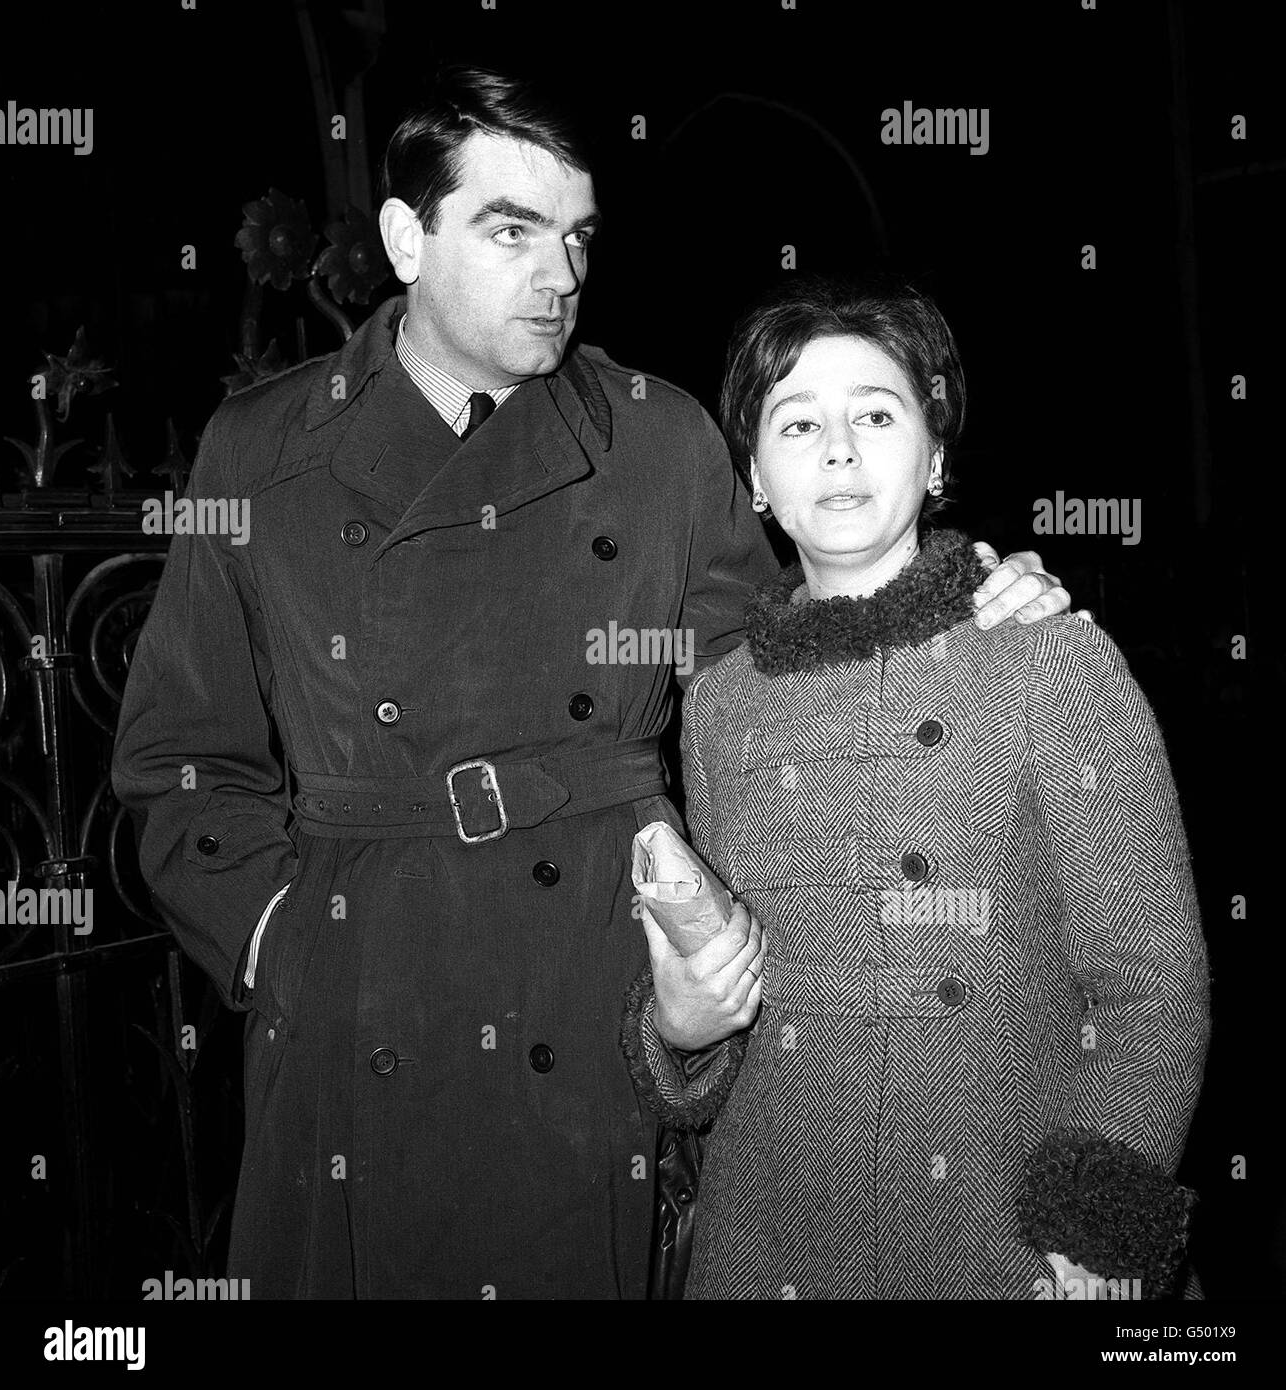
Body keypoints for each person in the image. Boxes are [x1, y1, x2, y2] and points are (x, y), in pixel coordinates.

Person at [110, 67, 1072, 1299]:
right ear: (407, 239)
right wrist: (277, 941)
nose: (559, 273)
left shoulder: (654, 436)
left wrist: (960, 596)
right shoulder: (261, 445)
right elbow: (182, 758)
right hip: (359, 989)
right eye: (510, 231)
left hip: (593, 976)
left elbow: (778, 673)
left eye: (574, 236)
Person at [621, 275, 1210, 1300]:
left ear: (934, 454)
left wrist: (1099, 1215)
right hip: (763, 1250)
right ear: (752, 474)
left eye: (876, 413)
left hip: (1000, 1243)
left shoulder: (1046, 661)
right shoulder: (718, 707)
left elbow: (1150, 981)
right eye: (795, 422)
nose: (837, 449)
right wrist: (676, 1027)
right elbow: (715, 1028)